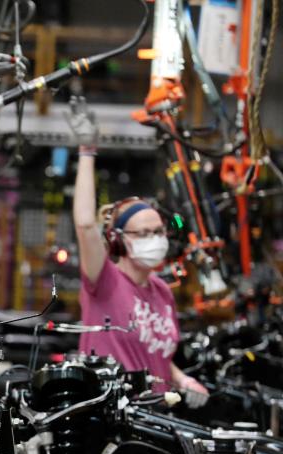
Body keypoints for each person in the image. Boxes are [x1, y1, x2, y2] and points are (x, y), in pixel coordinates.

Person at [67, 97, 208, 402]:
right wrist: (87, 150)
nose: (154, 239)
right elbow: (85, 225)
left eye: (158, 232)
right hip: (112, 416)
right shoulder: (104, 281)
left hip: (154, 415)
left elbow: (155, 353)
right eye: (143, 233)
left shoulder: (163, 292)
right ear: (119, 240)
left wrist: (182, 380)